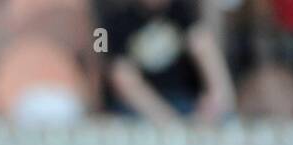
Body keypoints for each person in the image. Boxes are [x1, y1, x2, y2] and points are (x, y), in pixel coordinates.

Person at [99, 0, 236, 123]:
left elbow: (203, 46)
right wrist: (169, 121)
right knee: (123, 76)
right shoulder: (118, 19)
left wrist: (218, 96)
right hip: (139, 110)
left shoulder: (181, 11)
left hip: (184, 102)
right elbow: (120, 76)